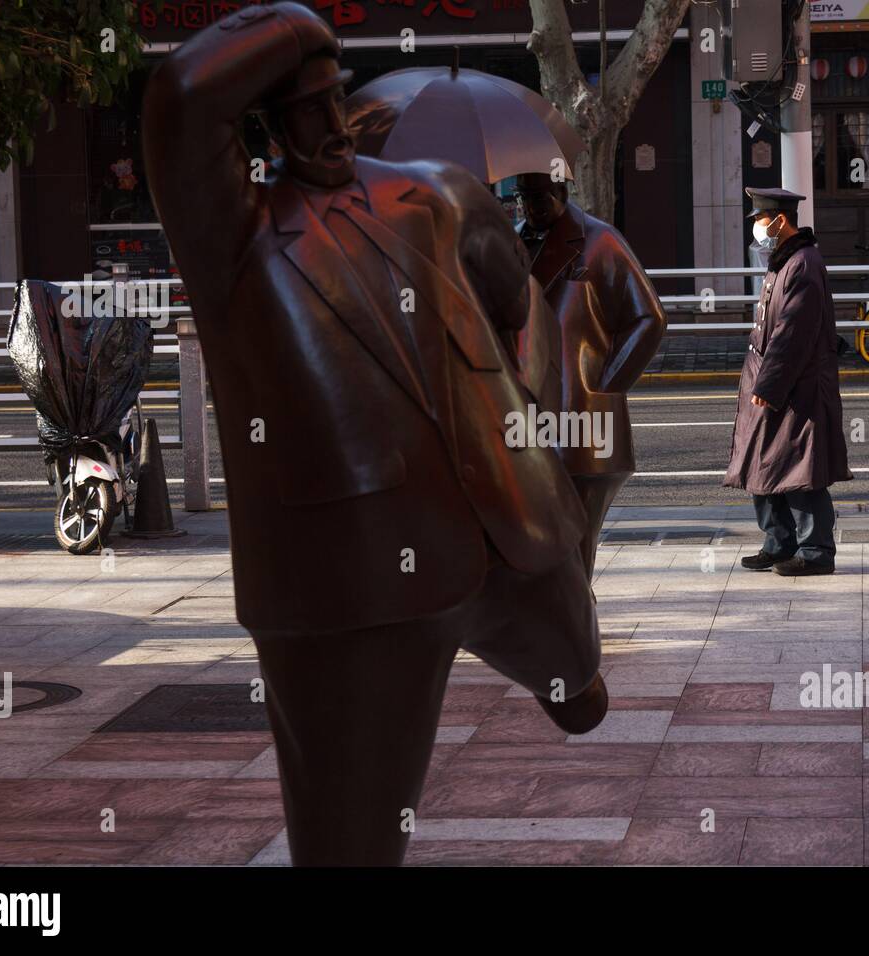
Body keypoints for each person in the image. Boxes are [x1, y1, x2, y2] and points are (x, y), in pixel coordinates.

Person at [141, 2, 607, 866]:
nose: (322, 128)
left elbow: (524, 307)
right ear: (263, 130)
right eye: (296, 113)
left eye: (329, 100)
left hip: (508, 535)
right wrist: (297, 23)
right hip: (347, 590)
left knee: (582, 689)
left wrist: (528, 431)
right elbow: (179, 95)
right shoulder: (233, 240)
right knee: (349, 846)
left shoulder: (434, 191)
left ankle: (568, 674)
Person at [515, 173, 667, 575]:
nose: (529, 209)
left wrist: (605, 387)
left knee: (579, 523)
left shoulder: (600, 242)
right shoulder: (512, 243)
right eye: (521, 198)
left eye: (538, 198)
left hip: (582, 409)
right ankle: (555, 609)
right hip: (524, 406)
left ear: (561, 193)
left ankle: (575, 611)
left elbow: (649, 318)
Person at [724, 187, 852, 575]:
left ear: (779, 220)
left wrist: (769, 384)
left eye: (761, 220)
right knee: (763, 463)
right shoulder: (784, 259)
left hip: (795, 386)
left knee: (800, 469)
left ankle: (815, 552)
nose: (758, 228)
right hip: (771, 380)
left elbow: (793, 331)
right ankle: (778, 542)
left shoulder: (803, 262)